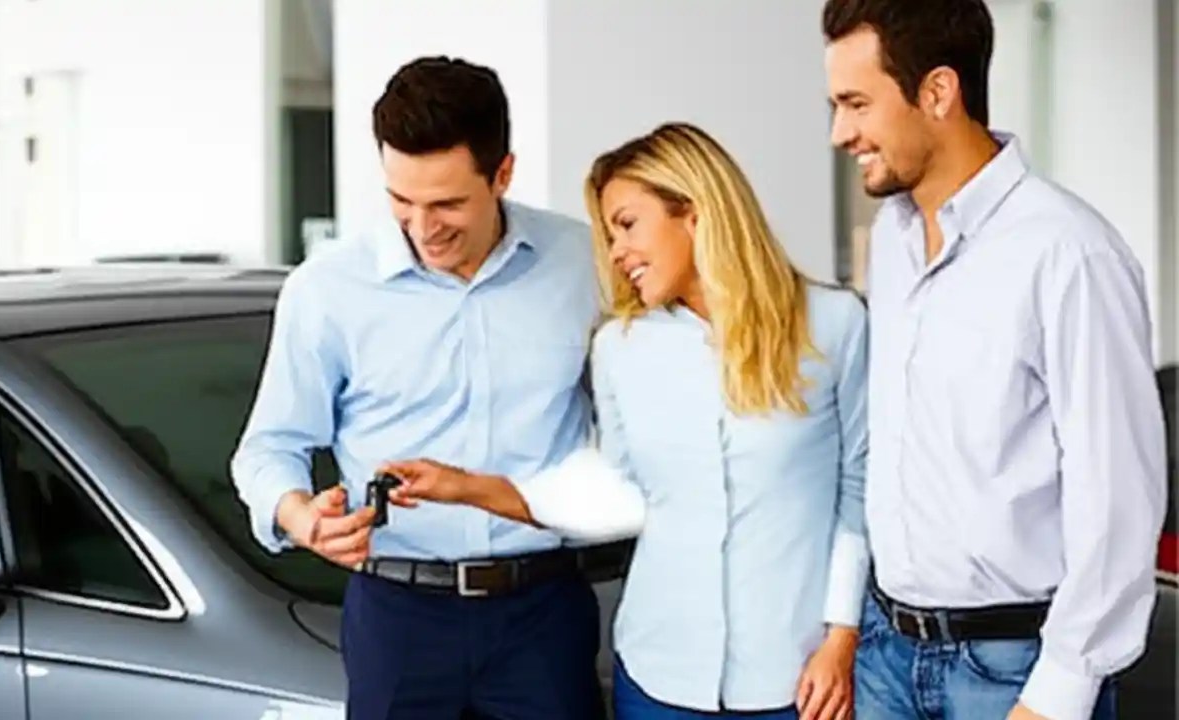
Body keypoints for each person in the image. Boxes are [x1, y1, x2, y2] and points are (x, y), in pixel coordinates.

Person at [383, 122, 871, 720]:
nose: (616, 253)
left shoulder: (837, 324)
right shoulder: (620, 346)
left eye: (627, 225)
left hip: (799, 682)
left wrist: (841, 637)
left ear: (693, 211)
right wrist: (467, 488)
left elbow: (859, 492)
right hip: (659, 675)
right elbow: (616, 493)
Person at [229, 56, 624, 720]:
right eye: (401, 200)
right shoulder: (326, 290)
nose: (422, 226)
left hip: (543, 616)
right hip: (398, 619)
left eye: (447, 203)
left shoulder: (587, 265)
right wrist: (302, 519)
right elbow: (267, 450)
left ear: (503, 173)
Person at [821, 2, 1170, 719]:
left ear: (939, 92)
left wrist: (1057, 694)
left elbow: (1120, 499)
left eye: (857, 103)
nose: (839, 133)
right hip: (890, 651)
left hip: (1013, 671)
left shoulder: (1070, 253)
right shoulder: (890, 240)